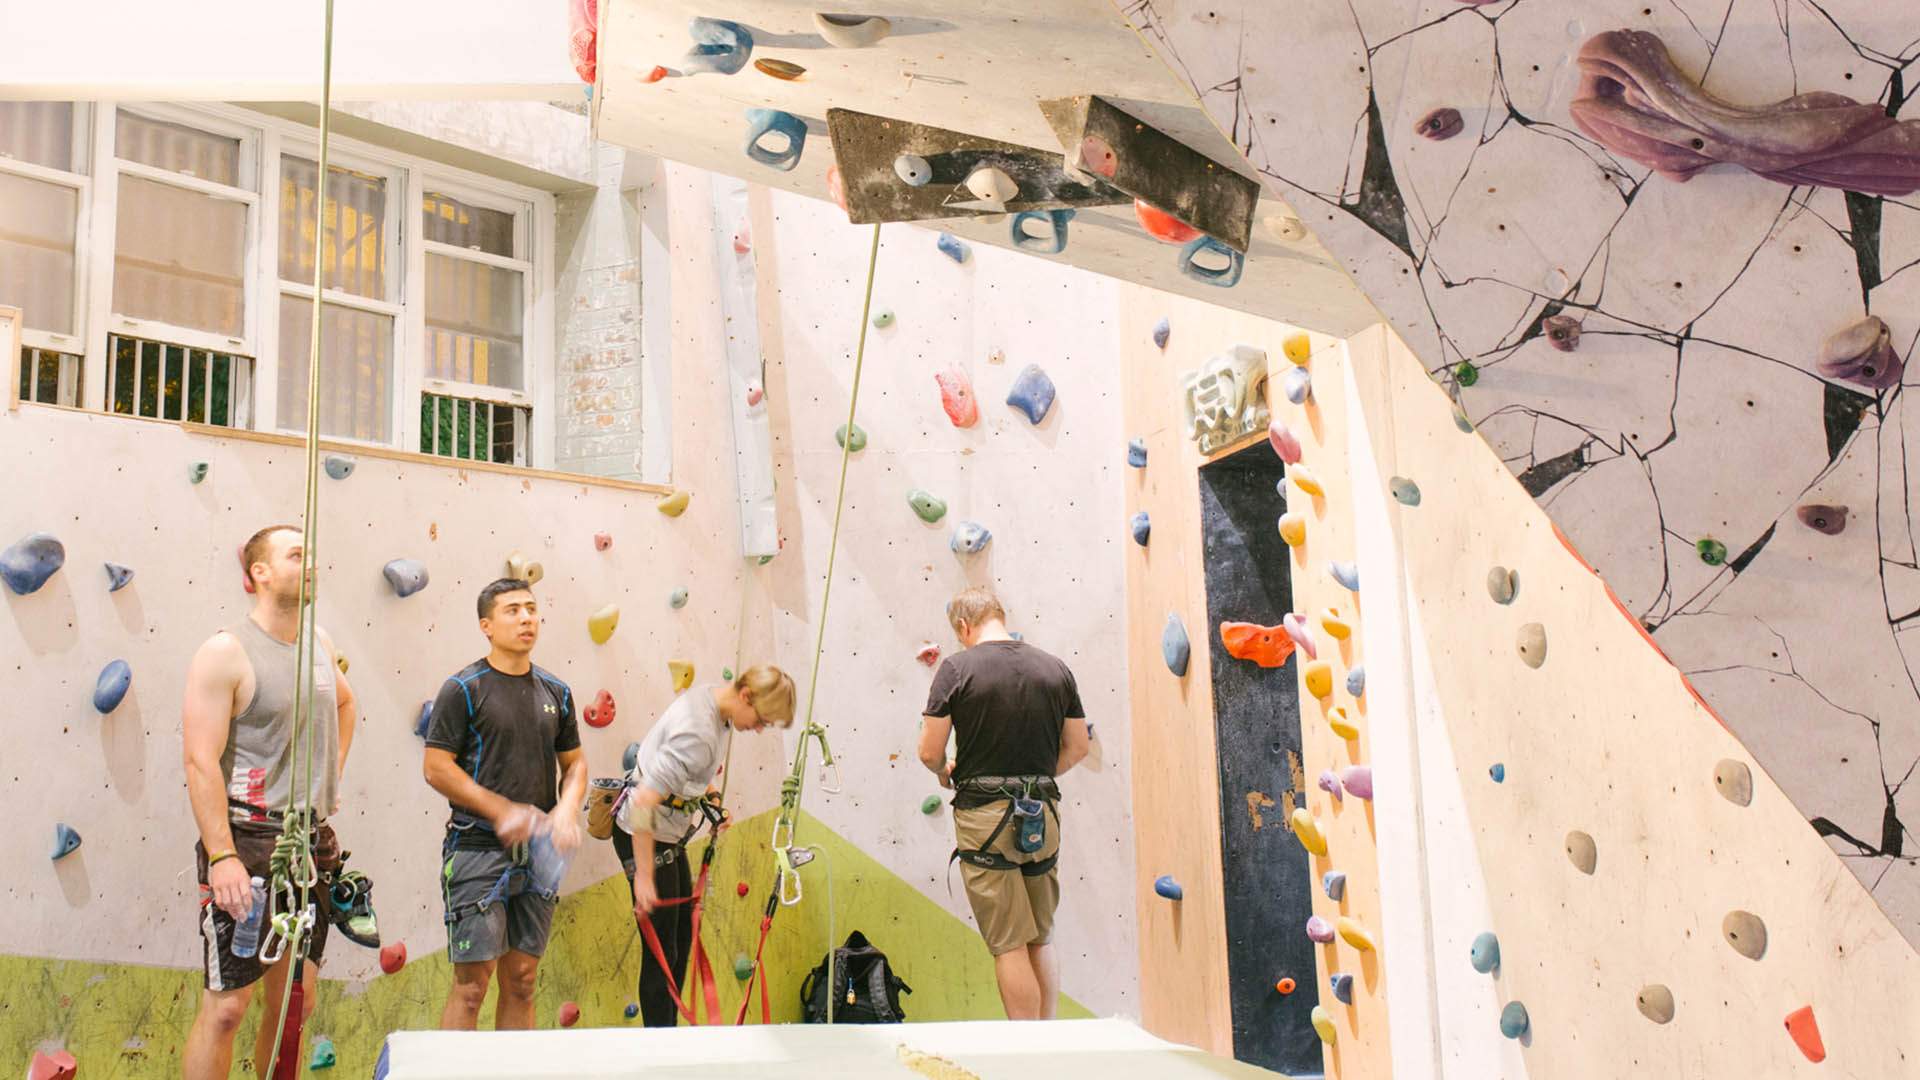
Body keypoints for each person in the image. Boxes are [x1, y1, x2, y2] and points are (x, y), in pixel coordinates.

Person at [182, 525, 361, 1079]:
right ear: (259, 572)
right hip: (248, 841)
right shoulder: (225, 652)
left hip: (307, 840)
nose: (310, 563)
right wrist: (222, 855)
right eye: (295, 554)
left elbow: (347, 705)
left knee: (295, 1006)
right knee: (228, 1007)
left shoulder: (320, 643)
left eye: (312, 552)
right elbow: (199, 760)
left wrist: (325, 781)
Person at [917, 586, 1090, 1020]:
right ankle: (1045, 1044)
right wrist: (1036, 778)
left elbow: (928, 751)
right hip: (1042, 814)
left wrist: (944, 769)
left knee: (1009, 942)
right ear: (1000, 615)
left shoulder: (956, 670)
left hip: (984, 817)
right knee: (1039, 937)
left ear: (963, 626)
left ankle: (1025, 1058)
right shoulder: (1055, 669)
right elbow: (1078, 747)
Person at [423, 578, 587, 1031]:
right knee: (472, 985)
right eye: (512, 610)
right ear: (487, 626)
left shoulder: (557, 691)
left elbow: (575, 765)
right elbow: (437, 767)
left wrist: (567, 809)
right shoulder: (463, 688)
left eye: (532, 608)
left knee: (522, 979)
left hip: (538, 856)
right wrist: (501, 810)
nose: (526, 618)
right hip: (476, 848)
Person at [612, 666, 796, 1025]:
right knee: (662, 955)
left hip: (665, 831)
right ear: (745, 696)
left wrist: (711, 797)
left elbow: (688, 773)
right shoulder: (697, 731)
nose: (758, 729)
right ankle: (660, 1048)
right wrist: (645, 877)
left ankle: (670, 1037)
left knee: (678, 945)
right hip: (645, 832)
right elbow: (645, 801)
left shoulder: (714, 699)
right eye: (761, 720)